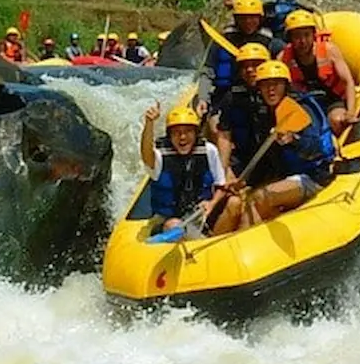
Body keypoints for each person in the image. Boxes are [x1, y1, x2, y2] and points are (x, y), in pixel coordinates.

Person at [210, 60, 335, 232]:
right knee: (247, 200)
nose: (270, 90)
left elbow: (315, 148)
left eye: (276, 84)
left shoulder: (301, 108)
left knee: (262, 197)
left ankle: (242, 244)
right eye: (265, 85)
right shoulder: (267, 114)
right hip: (286, 176)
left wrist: (294, 140)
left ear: (285, 86)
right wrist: (242, 180)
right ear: (259, 89)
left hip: (314, 177)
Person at [140, 103, 226, 234]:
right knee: (174, 226)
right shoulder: (160, 156)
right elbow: (146, 155)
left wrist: (212, 203)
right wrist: (149, 123)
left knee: (234, 204)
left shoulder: (209, 150)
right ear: (169, 136)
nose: (182, 137)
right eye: (176, 133)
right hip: (167, 220)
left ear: (195, 133)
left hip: (200, 213)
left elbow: (221, 186)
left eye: (188, 132)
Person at [278, 10, 357, 135]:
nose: (302, 41)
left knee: (336, 120)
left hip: (331, 98)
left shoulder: (329, 51)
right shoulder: (283, 58)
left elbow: (348, 81)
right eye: (297, 36)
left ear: (313, 35)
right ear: (290, 38)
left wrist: (351, 112)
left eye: (306, 35)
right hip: (305, 102)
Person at [199, 0, 280, 114]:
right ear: (236, 19)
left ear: (260, 18)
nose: (248, 22)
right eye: (243, 18)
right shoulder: (223, 41)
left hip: (262, 98)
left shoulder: (271, 43)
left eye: (252, 17)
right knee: (216, 129)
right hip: (226, 96)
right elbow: (207, 71)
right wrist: (203, 98)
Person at [211, 42, 271, 177]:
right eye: (245, 66)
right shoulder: (232, 97)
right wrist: (224, 171)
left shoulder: (277, 94)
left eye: (255, 64)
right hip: (243, 159)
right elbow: (224, 136)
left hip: (273, 159)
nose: (250, 70)